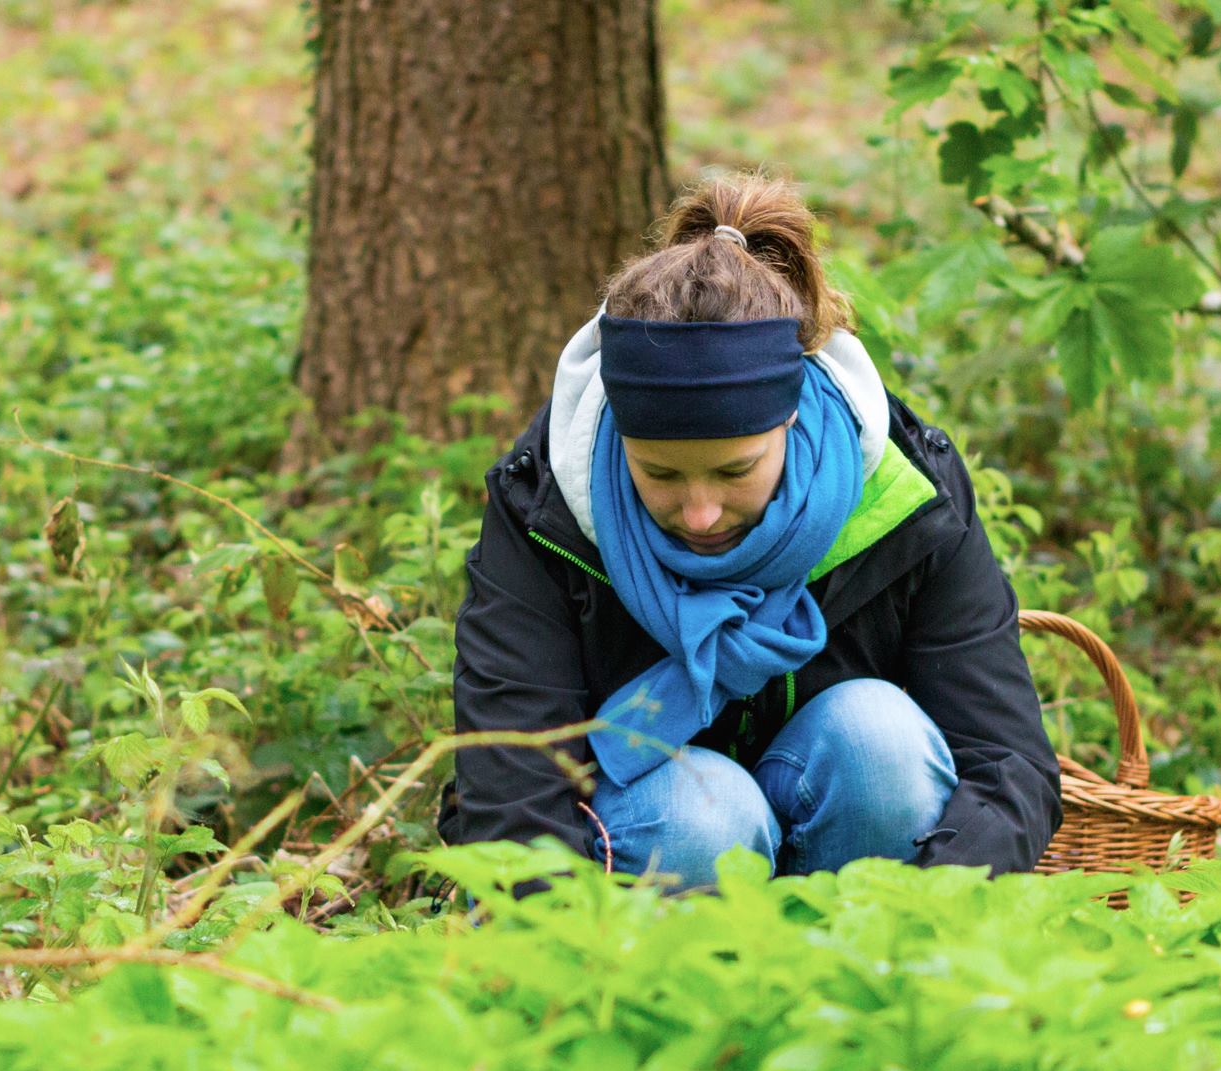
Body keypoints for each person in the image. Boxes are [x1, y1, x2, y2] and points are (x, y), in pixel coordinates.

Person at [437, 172, 1061, 890]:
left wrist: (930, 901)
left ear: (789, 421)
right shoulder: (546, 509)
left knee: (877, 740)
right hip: (661, 840)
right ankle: (686, 988)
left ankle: (860, 978)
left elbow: (1006, 761)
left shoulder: (904, 495)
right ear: (618, 430)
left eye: (735, 471)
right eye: (661, 474)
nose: (699, 511)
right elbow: (512, 784)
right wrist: (549, 947)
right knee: (708, 817)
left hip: (865, 862)